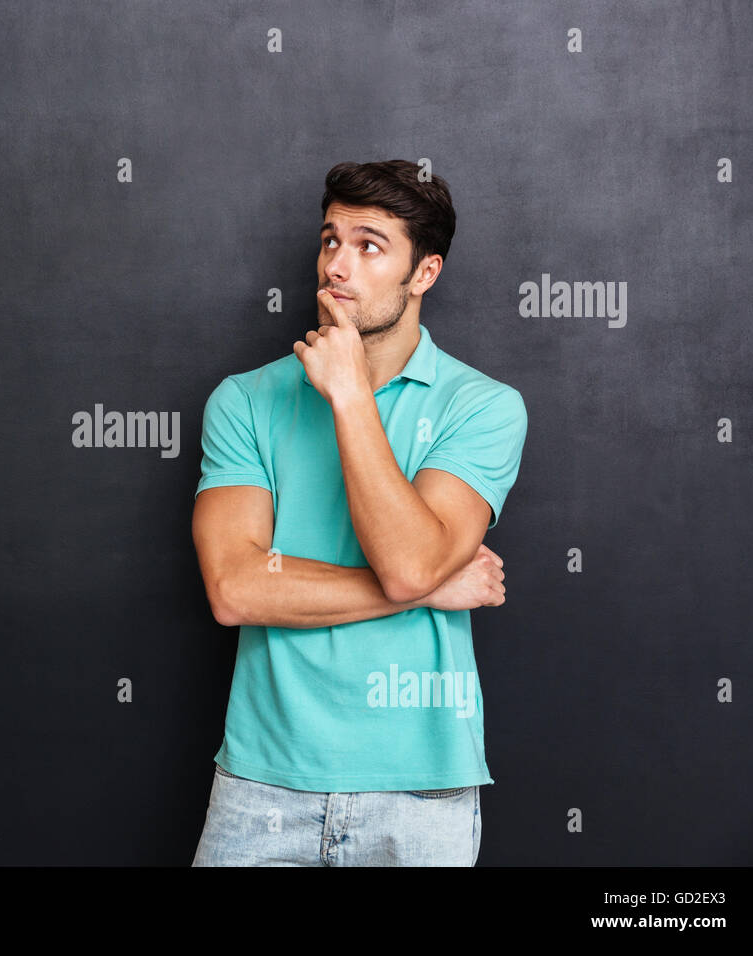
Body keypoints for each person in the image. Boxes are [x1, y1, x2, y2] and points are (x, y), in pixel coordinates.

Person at [190, 160, 528, 866]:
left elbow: (408, 564)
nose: (337, 265)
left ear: (424, 274)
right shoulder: (245, 400)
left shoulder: (483, 407)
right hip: (262, 782)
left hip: (420, 792)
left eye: (369, 245)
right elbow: (234, 589)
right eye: (330, 240)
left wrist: (351, 398)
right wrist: (435, 586)